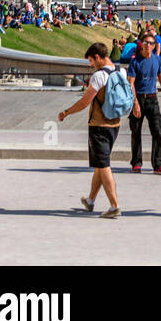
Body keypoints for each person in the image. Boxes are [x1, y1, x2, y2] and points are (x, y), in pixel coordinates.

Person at [58, 41, 129, 220]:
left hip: (99, 126)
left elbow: (84, 102)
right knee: (100, 163)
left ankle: (114, 206)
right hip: (115, 124)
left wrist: (66, 112)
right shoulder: (121, 71)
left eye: (91, 60)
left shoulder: (99, 76)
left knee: (104, 165)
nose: (91, 65)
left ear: (97, 57)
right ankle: (90, 200)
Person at [127, 32, 161, 173]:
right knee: (136, 132)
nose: (148, 45)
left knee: (157, 131)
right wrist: (135, 103)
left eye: (151, 43)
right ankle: (136, 163)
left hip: (152, 99)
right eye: (145, 42)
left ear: (154, 46)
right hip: (138, 99)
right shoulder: (135, 61)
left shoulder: (157, 60)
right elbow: (130, 84)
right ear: (141, 45)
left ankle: (158, 164)